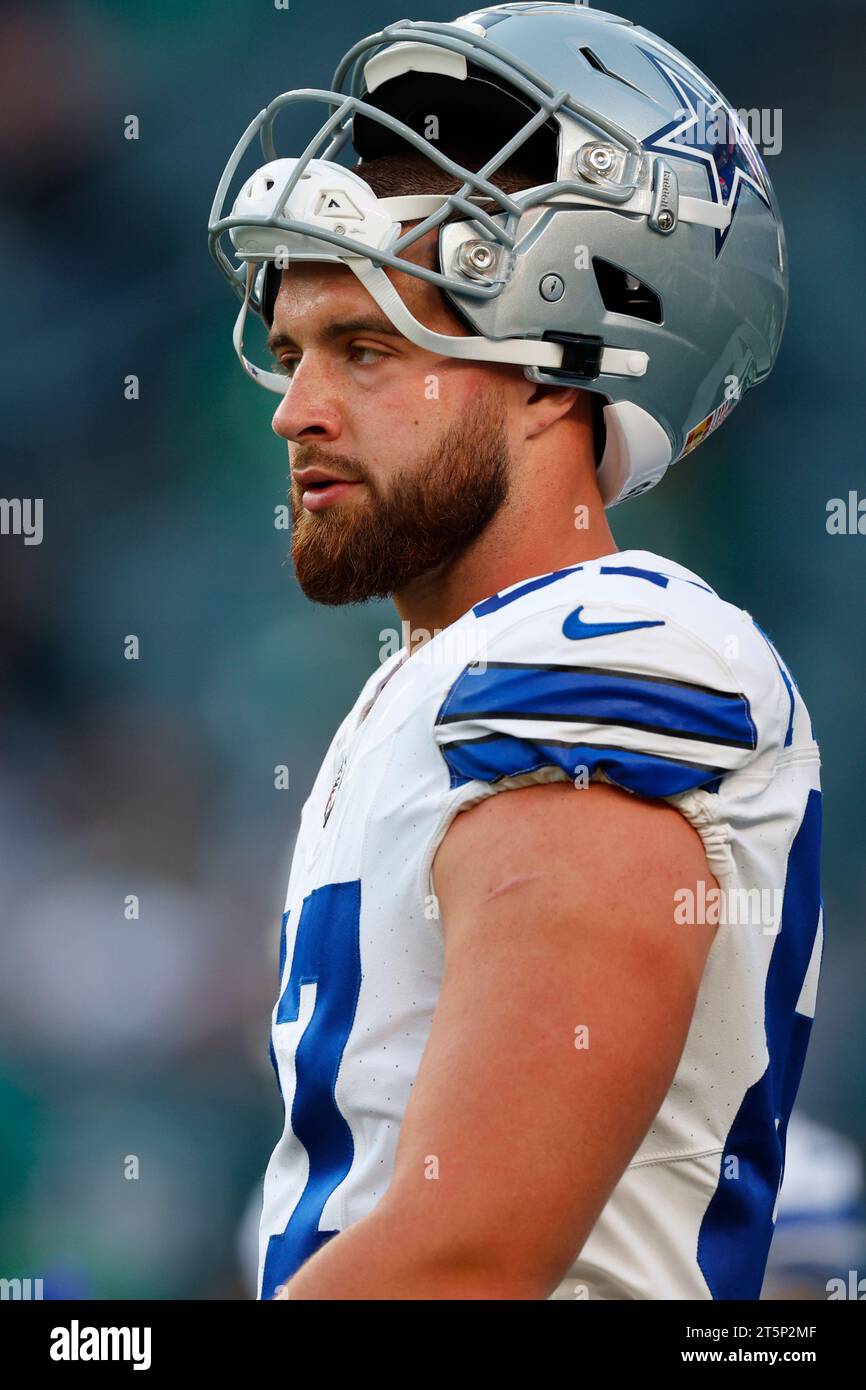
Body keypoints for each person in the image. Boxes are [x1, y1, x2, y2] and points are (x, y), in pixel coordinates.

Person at [209, 5, 823, 1300]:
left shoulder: (609, 647)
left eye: (367, 350)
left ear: (556, 371)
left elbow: (469, 1254)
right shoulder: (432, 681)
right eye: (290, 353)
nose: (297, 411)